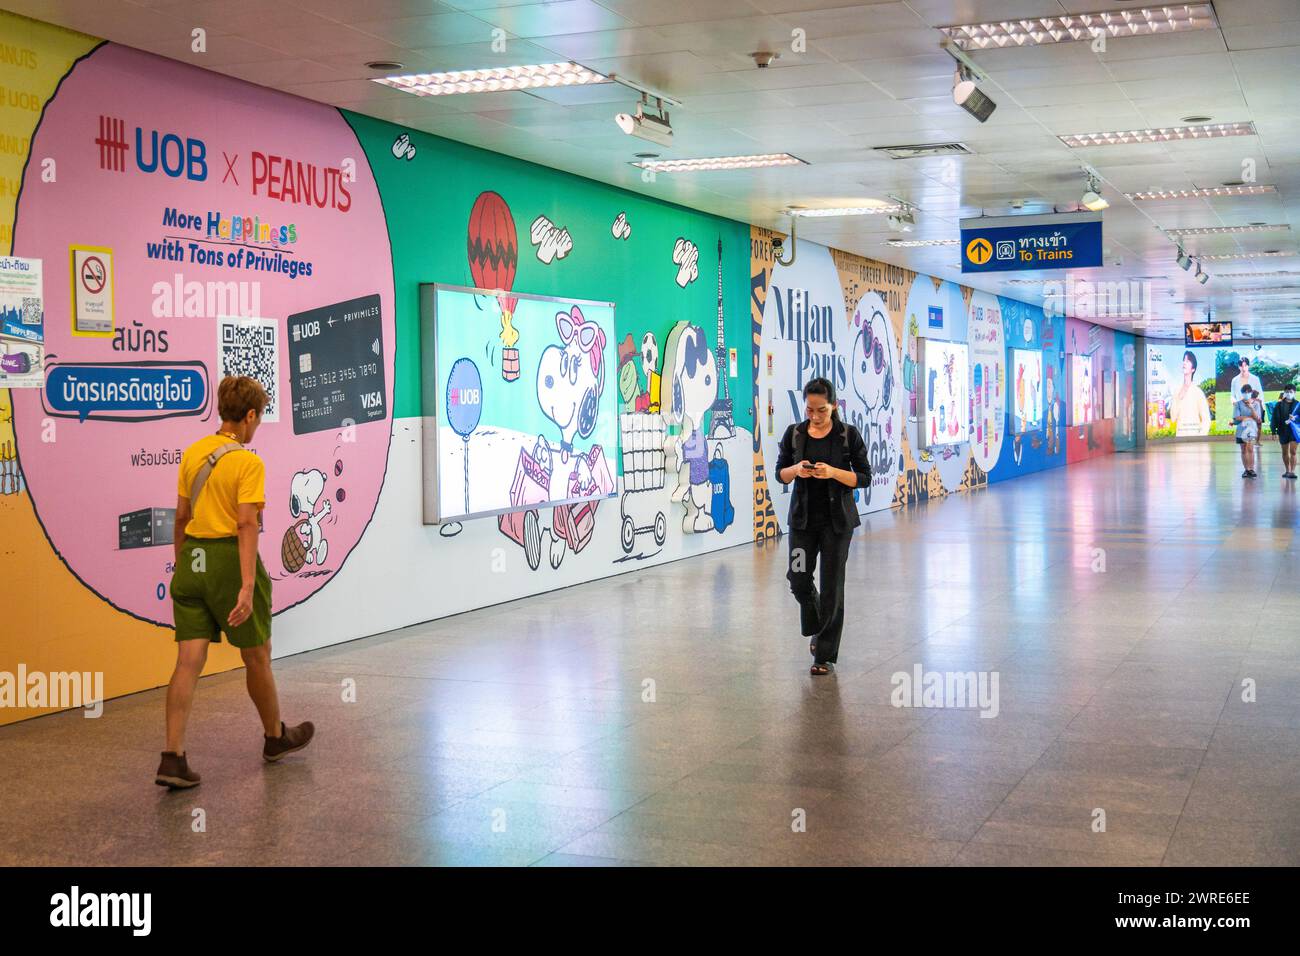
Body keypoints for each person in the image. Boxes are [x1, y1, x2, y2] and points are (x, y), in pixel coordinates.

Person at [158, 376, 314, 789]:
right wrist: (246, 584)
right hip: (229, 559)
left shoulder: (193, 453)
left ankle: (172, 757)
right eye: (259, 419)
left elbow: (179, 519)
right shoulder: (248, 462)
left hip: (192, 559)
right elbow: (247, 523)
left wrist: (186, 567)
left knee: (187, 663)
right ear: (248, 416)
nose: (257, 426)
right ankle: (274, 737)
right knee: (257, 654)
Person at [775, 378, 872, 676]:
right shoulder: (795, 434)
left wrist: (833, 472)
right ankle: (817, 623)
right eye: (810, 409)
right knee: (798, 577)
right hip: (803, 521)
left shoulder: (848, 436)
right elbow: (781, 473)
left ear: (834, 406)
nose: (815, 416)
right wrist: (797, 470)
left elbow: (864, 477)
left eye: (822, 410)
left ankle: (824, 654)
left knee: (832, 586)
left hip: (837, 524)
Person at [1170, 350, 1211, 437]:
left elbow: (1206, 420)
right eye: (1183, 360)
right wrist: (1179, 398)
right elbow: (1173, 418)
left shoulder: (1198, 392)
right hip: (1179, 441)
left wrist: (1200, 438)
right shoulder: (1177, 391)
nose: (1184, 363)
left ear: (1193, 369)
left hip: (1195, 442)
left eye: (1187, 361)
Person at [1233, 384, 1262, 479]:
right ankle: (1246, 469)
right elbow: (1237, 417)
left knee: (1250, 449)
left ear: (1251, 392)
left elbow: (1257, 418)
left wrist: (1251, 407)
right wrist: (1249, 417)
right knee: (1244, 449)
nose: (1246, 394)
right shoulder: (1238, 404)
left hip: (1252, 430)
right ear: (1241, 393)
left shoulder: (1256, 404)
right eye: (1244, 392)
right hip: (1241, 430)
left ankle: (1251, 469)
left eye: (1248, 392)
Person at [1271, 384, 1299, 479]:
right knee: (1285, 452)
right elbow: (1274, 419)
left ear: (1294, 393)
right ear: (1284, 392)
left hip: (1294, 431)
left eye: (1291, 392)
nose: (1289, 393)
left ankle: (1292, 471)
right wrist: (1273, 431)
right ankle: (1287, 470)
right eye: (1287, 392)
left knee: (1293, 451)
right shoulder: (1279, 405)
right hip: (1283, 430)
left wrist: (1295, 418)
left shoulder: (1298, 404)